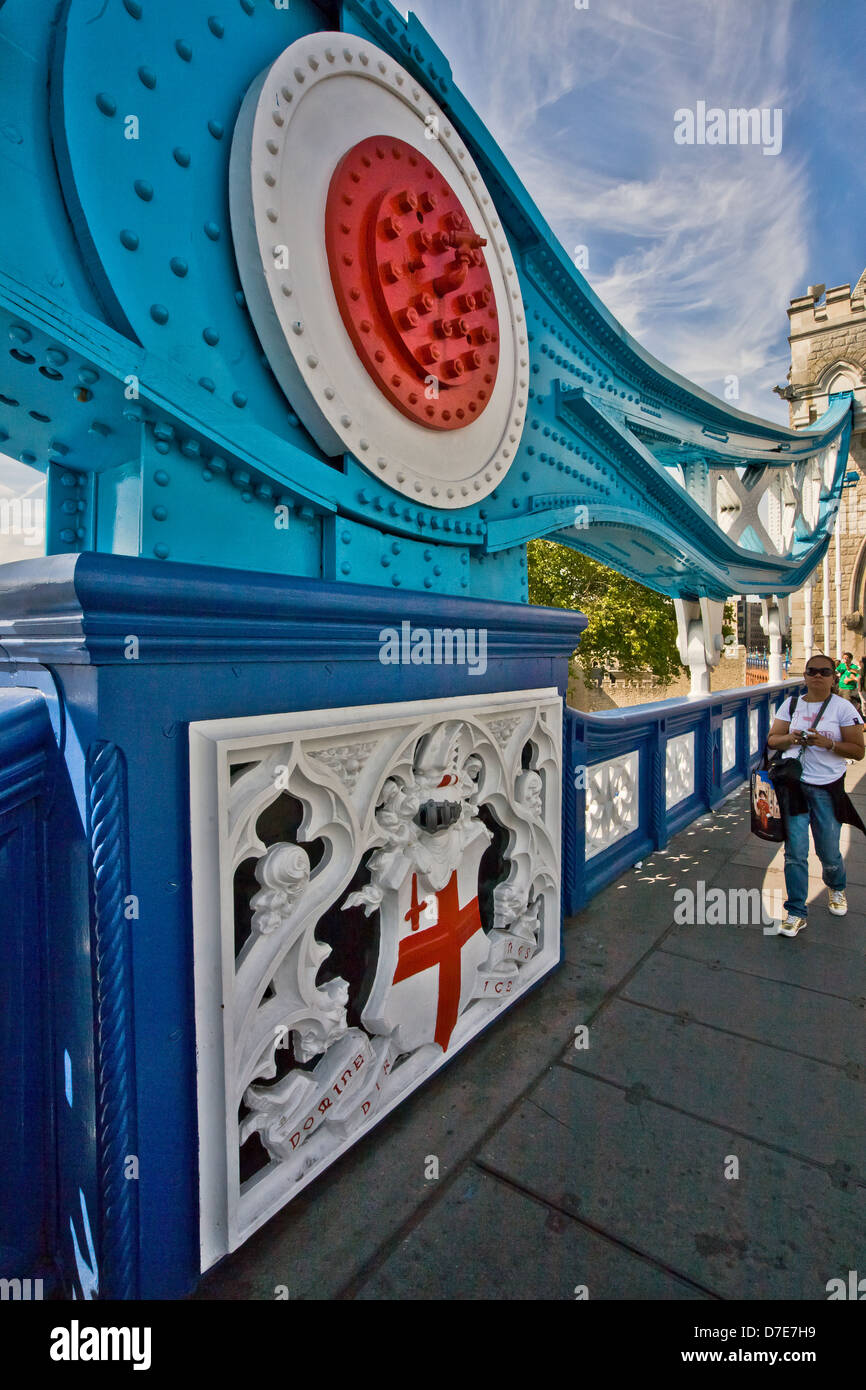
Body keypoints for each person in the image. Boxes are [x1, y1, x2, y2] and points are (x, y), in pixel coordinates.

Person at [767, 653, 865, 936]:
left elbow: (858, 750)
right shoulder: (791, 704)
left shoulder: (843, 709)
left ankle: (836, 886)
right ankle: (796, 910)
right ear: (805, 675)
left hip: (826, 788)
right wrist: (791, 738)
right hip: (794, 787)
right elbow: (773, 739)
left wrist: (828, 743)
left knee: (828, 852)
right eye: (812, 671)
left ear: (834, 676)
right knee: (795, 853)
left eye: (824, 671)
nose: (817, 676)